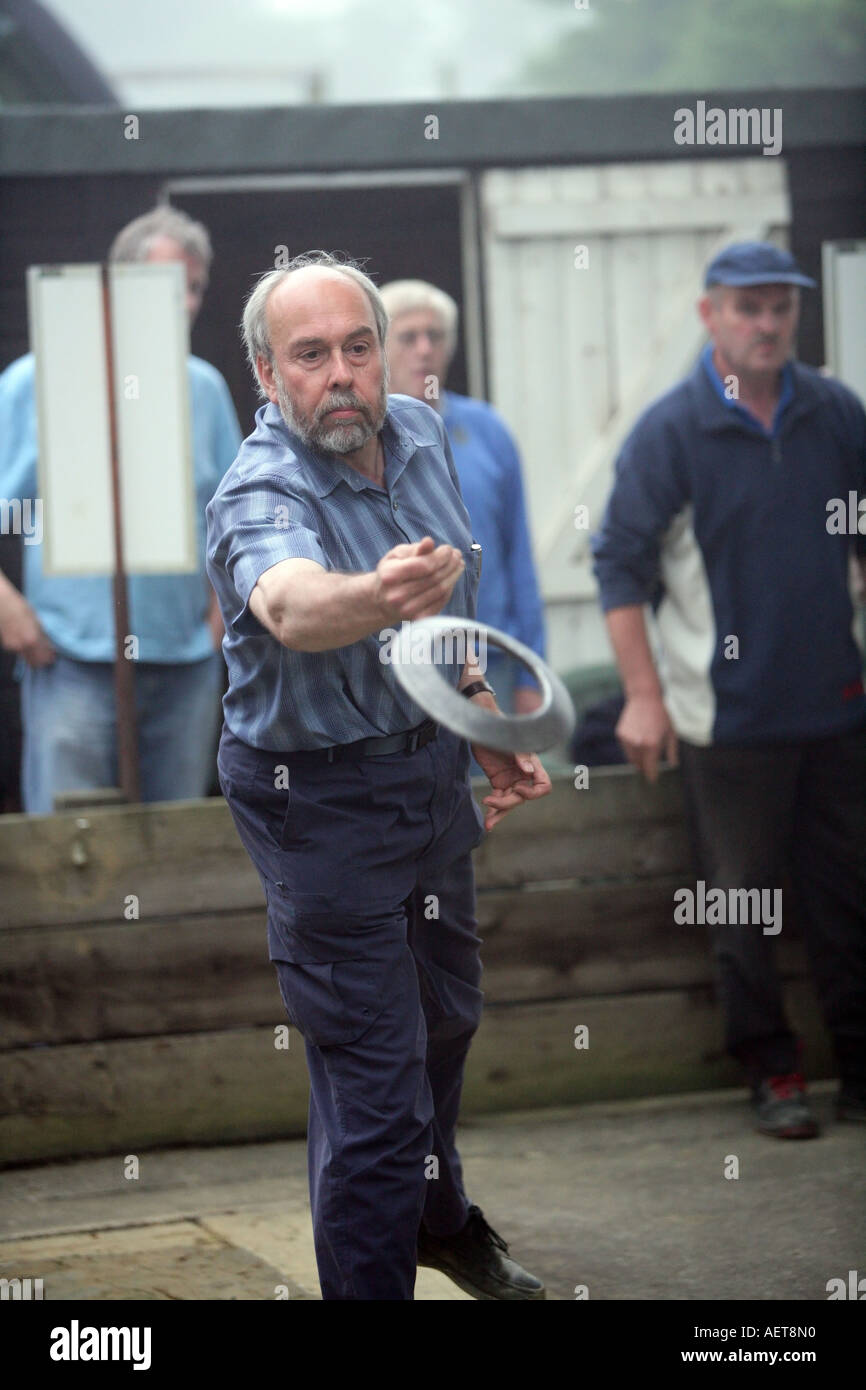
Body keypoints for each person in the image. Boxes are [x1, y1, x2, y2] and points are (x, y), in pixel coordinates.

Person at [206, 250, 552, 1300]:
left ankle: (437, 1221)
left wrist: (479, 718)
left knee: (447, 1015)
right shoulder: (256, 489)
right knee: (374, 1080)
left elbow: (451, 614)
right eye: (310, 356)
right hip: (310, 800)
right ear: (266, 375)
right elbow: (296, 608)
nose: (343, 374)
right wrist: (379, 594)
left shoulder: (421, 431)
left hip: (427, 767)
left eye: (358, 347)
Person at [591, 241, 866, 1139]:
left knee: (849, 895)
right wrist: (641, 694)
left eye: (780, 307)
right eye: (747, 307)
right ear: (711, 315)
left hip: (838, 704)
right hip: (726, 718)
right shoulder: (673, 430)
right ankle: (774, 1074)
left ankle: (859, 1069)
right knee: (741, 903)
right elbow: (619, 567)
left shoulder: (834, 412)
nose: (767, 323)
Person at [0, 206, 242, 812]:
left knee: (172, 844)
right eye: (168, 286)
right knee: (69, 847)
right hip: (69, 659)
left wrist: (216, 620)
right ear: (120, 286)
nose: (185, 303)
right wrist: (10, 610)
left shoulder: (204, 389)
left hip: (184, 664)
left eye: (194, 288)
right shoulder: (34, 382)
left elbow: (237, 518)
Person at [379, 279, 546, 715]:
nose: (423, 349)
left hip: (494, 659)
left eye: (434, 336)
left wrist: (532, 674)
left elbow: (518, 558)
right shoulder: (360, 438)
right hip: (399, 669)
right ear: (377, 348)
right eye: (408, 337)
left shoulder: (487, 430)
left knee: (504, 782)